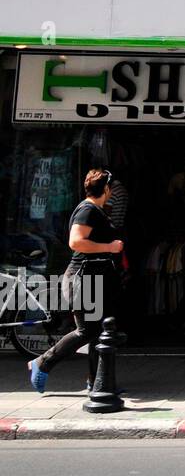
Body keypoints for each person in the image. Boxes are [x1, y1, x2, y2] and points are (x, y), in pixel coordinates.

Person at [28, 169, 124, 394]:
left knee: (100, 332)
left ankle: (97, 382)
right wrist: (109, 247)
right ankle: (41, 363)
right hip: (84, 278)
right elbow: (76, 242)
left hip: (95, 277)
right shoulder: (87, 210)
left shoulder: (96, 210)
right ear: (107, 189)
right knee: (86, 331)